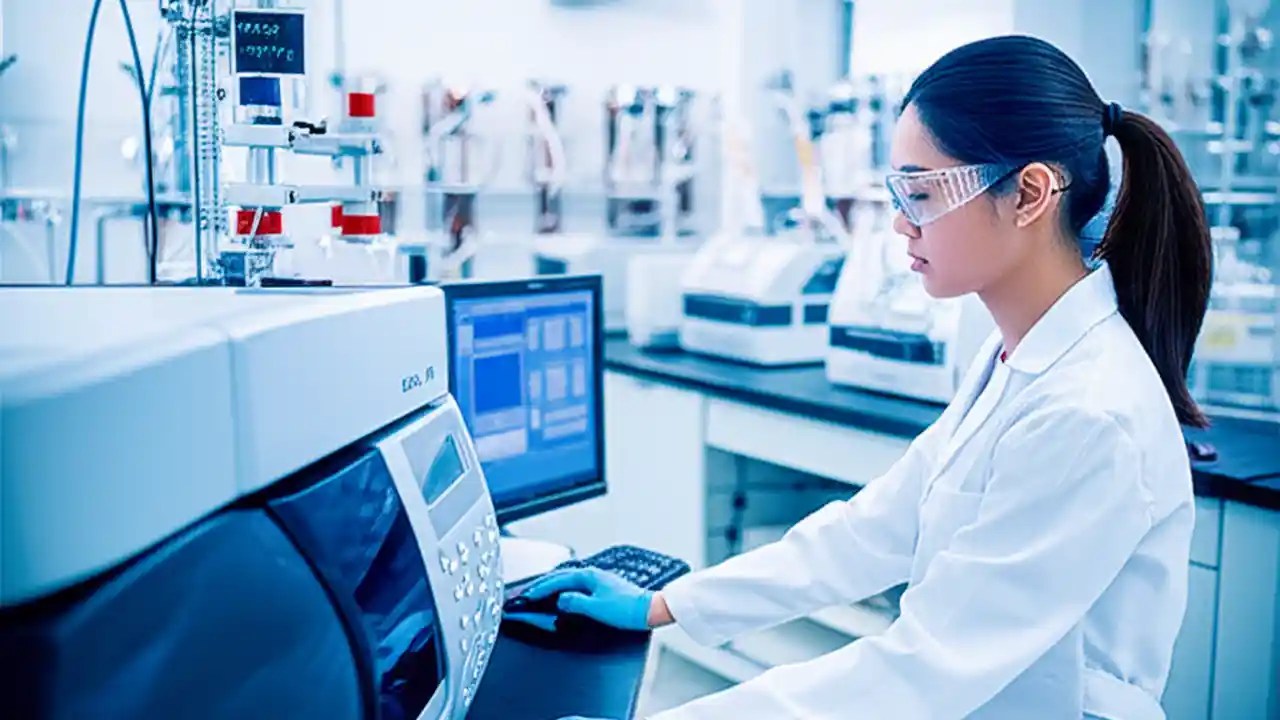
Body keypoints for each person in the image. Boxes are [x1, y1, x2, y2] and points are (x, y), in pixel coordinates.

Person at [511, 34, 1213, 720]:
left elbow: (925, 667)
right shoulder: (1016, 360)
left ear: (1028, 194)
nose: (902, 225)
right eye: (897, 194)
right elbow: (875, 529)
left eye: (922, 194)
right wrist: (667, 604)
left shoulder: (1086, 412)